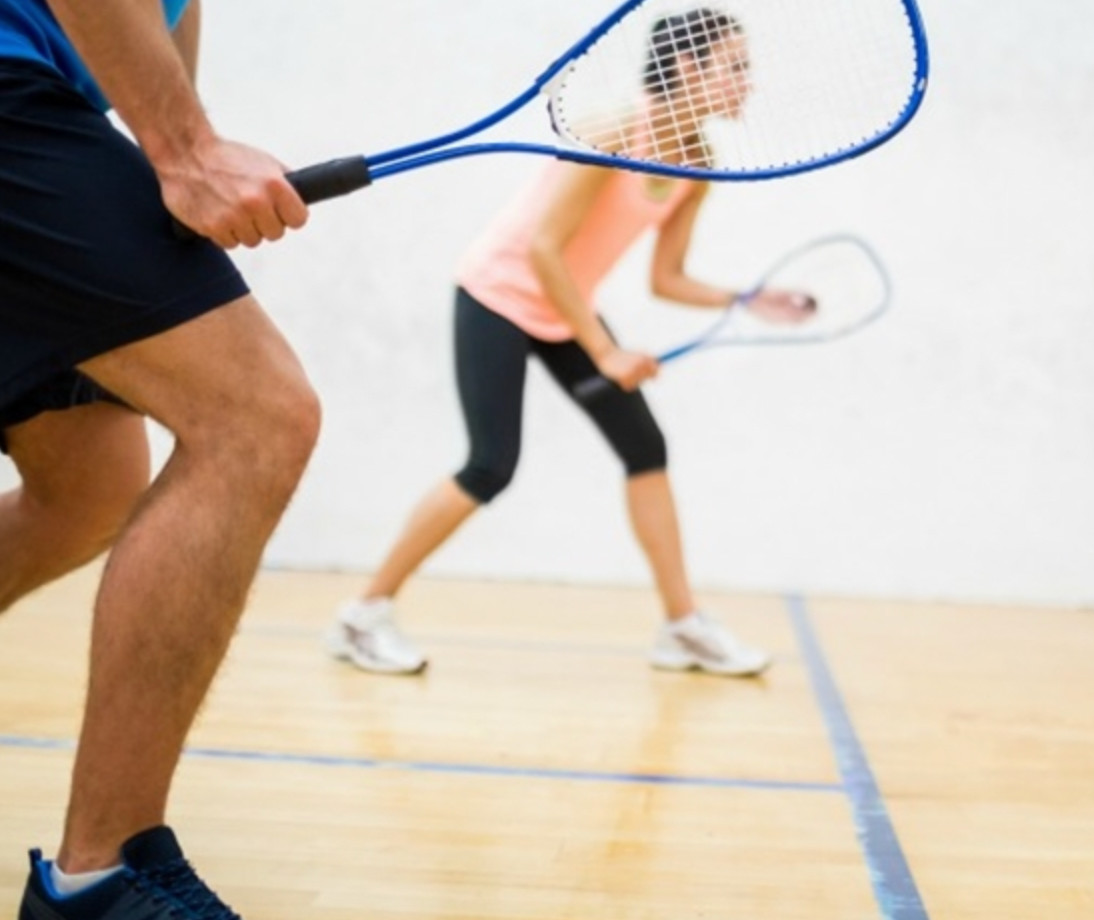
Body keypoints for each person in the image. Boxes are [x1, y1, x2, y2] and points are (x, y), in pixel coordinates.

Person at [327, 9, 807, 680]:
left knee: (645, 448)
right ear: (688, 66)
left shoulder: (699, 161)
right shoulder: (614, 132)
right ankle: (362, 616)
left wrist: (747, 299)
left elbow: (666, 278)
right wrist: (606, 352)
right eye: (736, 67)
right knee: (490, 465)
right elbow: (544, 248)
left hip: (562, 310)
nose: (748, 84)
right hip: (497, 296)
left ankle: (682, 627)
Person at [1, 1, 316, 918]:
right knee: (255, 418)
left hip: (49, 103)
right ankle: (99, 878)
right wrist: (184, 150)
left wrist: (166, 157)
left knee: (88, 489)